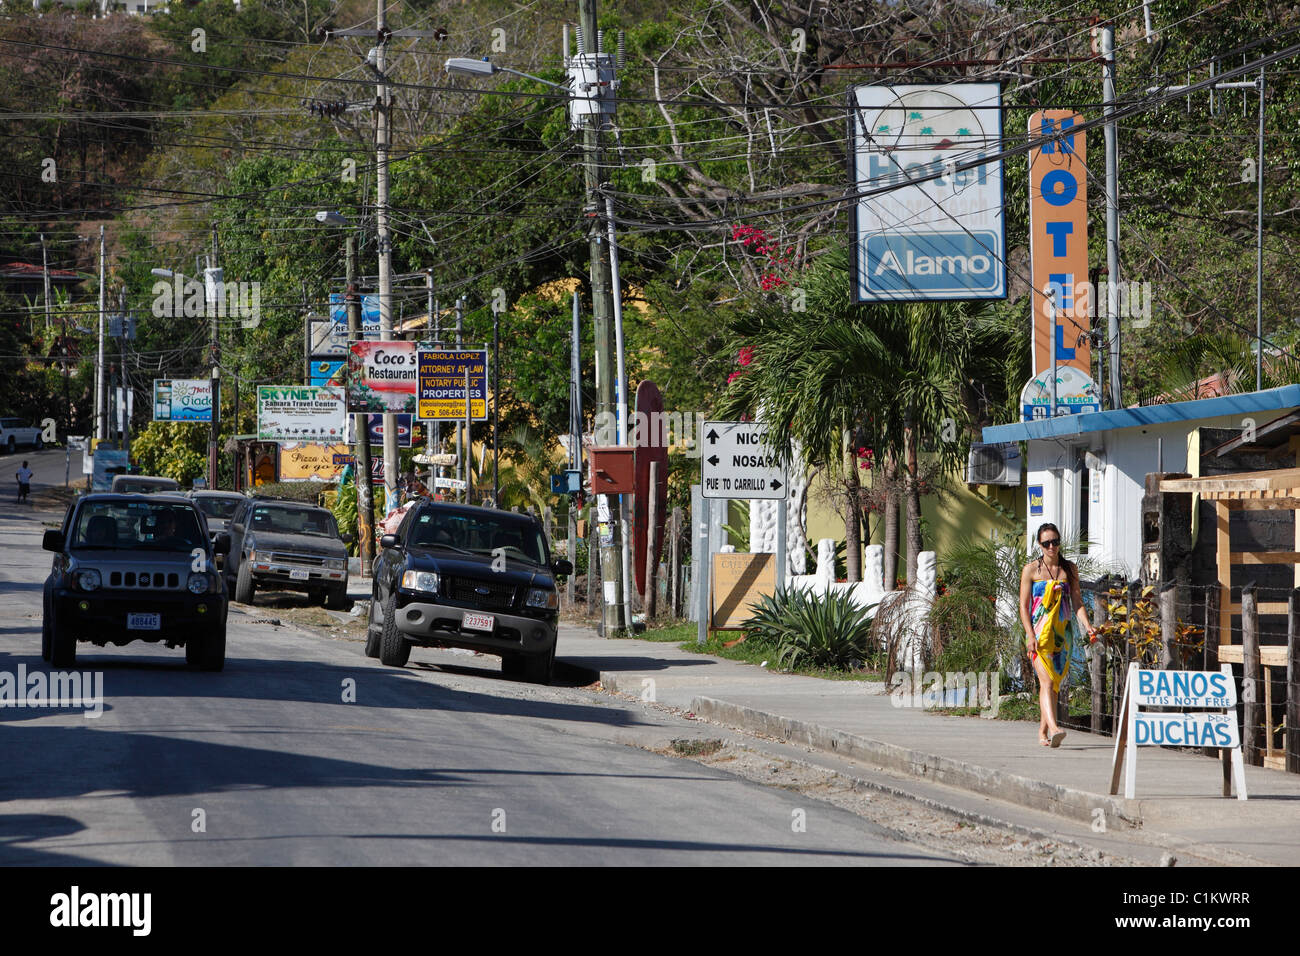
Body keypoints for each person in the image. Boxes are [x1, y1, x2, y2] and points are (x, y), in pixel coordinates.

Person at [1019, 522, 1097, 748]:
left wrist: (1088, 625)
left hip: (1062, 635)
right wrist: (1029, 634)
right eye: (1046, 543)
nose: (1052, 547)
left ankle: (1042, 731)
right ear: (1039, 545)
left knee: (1053, 684)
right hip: (1038, 635)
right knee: (1046, 681)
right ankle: (1054, 728)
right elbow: (1023, 607)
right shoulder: (1031, 570)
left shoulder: (1069, 569)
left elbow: (1077, 601)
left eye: (1055, 542)